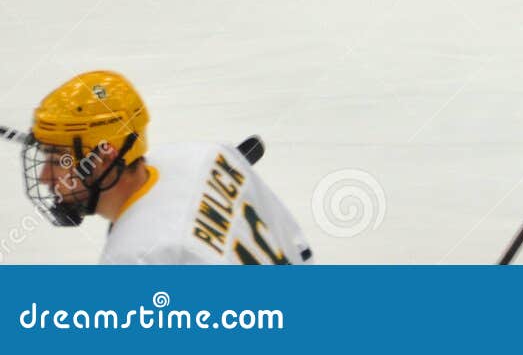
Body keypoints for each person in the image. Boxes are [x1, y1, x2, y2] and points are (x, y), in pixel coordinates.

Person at [22, 70, 312, 264]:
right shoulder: (206, 156)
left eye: (58, 160)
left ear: (105, 158)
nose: (45, 176)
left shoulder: (136, 258)